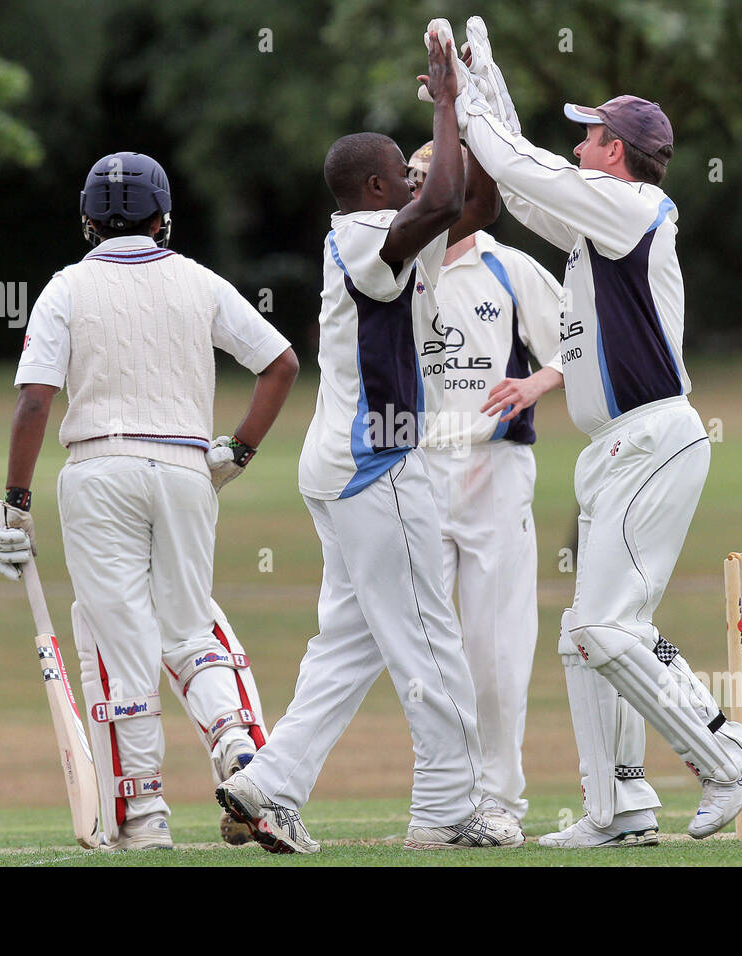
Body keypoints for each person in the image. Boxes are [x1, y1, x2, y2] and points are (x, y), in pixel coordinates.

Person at [455, 17, 742, 845]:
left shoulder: (632, 207)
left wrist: (464, 109)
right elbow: (524, 188)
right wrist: (484, 90)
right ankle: (620, 809)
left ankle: (725, 751)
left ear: (616, 152)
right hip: (615, 448)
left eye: (590, 133)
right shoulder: (602, 222)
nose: (580, 144)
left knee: (605, 627)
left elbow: (521, 168)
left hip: (652, 439)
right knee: (584, 638)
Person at [216, 28, 522, 854]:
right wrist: (451, 106)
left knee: (346, 650)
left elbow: (477, 202)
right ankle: (446, 812)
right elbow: (444, 200)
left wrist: (481, 99)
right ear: (379, 184)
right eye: (406, 167)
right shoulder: (362, 235)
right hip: (377, 462)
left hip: (347, 464)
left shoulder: (401, 232)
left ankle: (266, 786)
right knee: (431, 638)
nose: (420, 173)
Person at [0, 151, 298, 850]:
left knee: (117, 639)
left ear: (87, 220)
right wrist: (237, 452)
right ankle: (242, 757)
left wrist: (15, 497)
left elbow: (36, 399)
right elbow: (281, 364)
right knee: (189, 628)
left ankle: (143, 816)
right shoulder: (197, 280)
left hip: (96, 471)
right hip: (186, 471)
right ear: (164, 218)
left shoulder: (67, 287)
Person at [406, 139, 564, 831]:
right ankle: (444, 800)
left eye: (429, 179)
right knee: (421, 648)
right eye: (412, 178)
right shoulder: (391, 265)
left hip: (493, 468)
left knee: (496, 647)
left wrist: (533, 382)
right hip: (409, 472)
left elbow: (579, 344)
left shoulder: (510, 267)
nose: (418, 190)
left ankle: (500, 804)